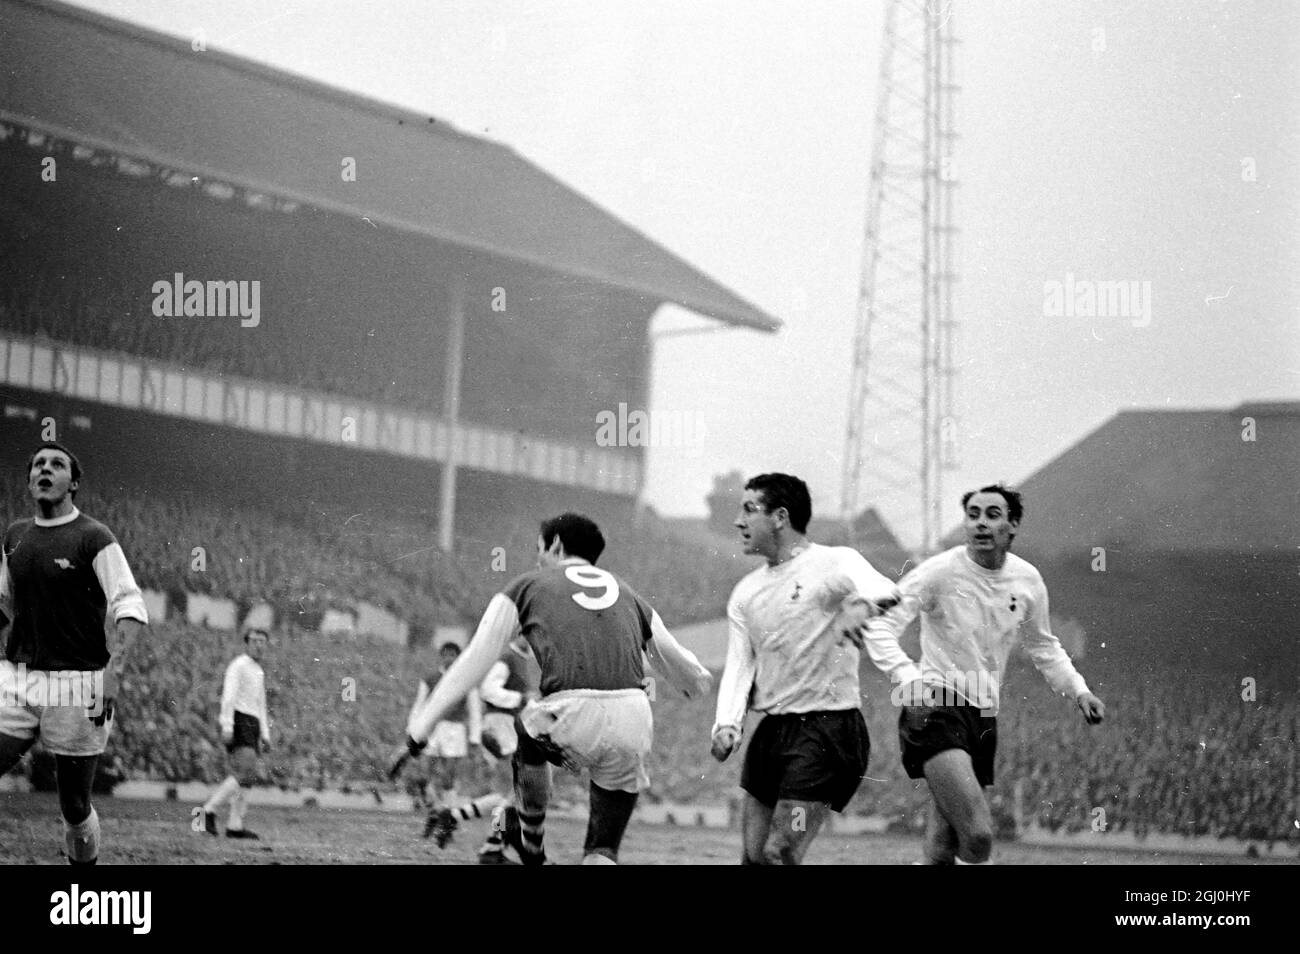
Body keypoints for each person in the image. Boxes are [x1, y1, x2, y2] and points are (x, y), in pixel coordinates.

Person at [392, 513, 712, 865]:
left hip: (568, 712)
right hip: (633, 718)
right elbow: (681, 665)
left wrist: (417, 735)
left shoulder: (527, 585)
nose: (537, 559)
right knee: (602, 850)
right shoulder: (630, 593)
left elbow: (471, 664)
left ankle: (531, 844)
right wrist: (696, 686)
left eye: (539, 549)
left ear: (556, 544)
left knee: (527, 730)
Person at [865, 484, 1106, 864]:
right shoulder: (939, 572)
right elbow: (880, 625)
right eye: (973, 514)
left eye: (992, 515)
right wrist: (907, 679)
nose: (980, 523)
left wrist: (1079, 690)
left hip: (982, 716)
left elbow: (1043, 646)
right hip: (935, 707)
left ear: (1012, 527)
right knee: (977, 836)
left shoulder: (1027, 581)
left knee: (943, 845)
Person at [710, 473, 906, 865]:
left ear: (780, 517)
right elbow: (740, 663)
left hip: (825, 733)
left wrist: (860, 606)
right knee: (753, 859)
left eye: (749, 510)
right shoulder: (746, 592)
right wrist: (727, 722)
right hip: (772, 734)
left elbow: (886, 587)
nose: (738, 521)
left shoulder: (833, 561)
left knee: (780, 851)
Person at [0, 442, 148, 865]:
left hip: (78, 683)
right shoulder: (15, 535)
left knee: (75, 806)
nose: (46, 469)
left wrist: (112, 673)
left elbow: (130, 606)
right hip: (17, 678)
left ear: (73, 483)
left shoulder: (93, 537)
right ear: (30, 480)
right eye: (38, 464)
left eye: (57, 464)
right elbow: (3, 604)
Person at [199, 627, 272, 839]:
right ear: (247, 643)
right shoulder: (238, 666)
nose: (259, 645)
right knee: (244, 772)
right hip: (239, 720)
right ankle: (208, 811)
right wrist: (228, 725)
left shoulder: (258, 670)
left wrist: (265, 734)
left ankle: (235, 825)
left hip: (253, 723)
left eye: (262, 641)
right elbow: (228, 697)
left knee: (248, 777)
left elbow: (261, 704)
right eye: (255, 640)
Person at [406, 642, 482, 829]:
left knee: (449, 775)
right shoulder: (430, 679)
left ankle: (448, 815)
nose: (449, 658)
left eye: (453, 655)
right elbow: (419, 705)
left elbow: (474, 710)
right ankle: (433, 809)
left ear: (458, 657)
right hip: (433, 729)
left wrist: (474, 738)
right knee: (425, 773)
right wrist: (412, 730)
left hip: (455, 730)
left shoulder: (467, 680)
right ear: (441, 656)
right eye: (446, 654)